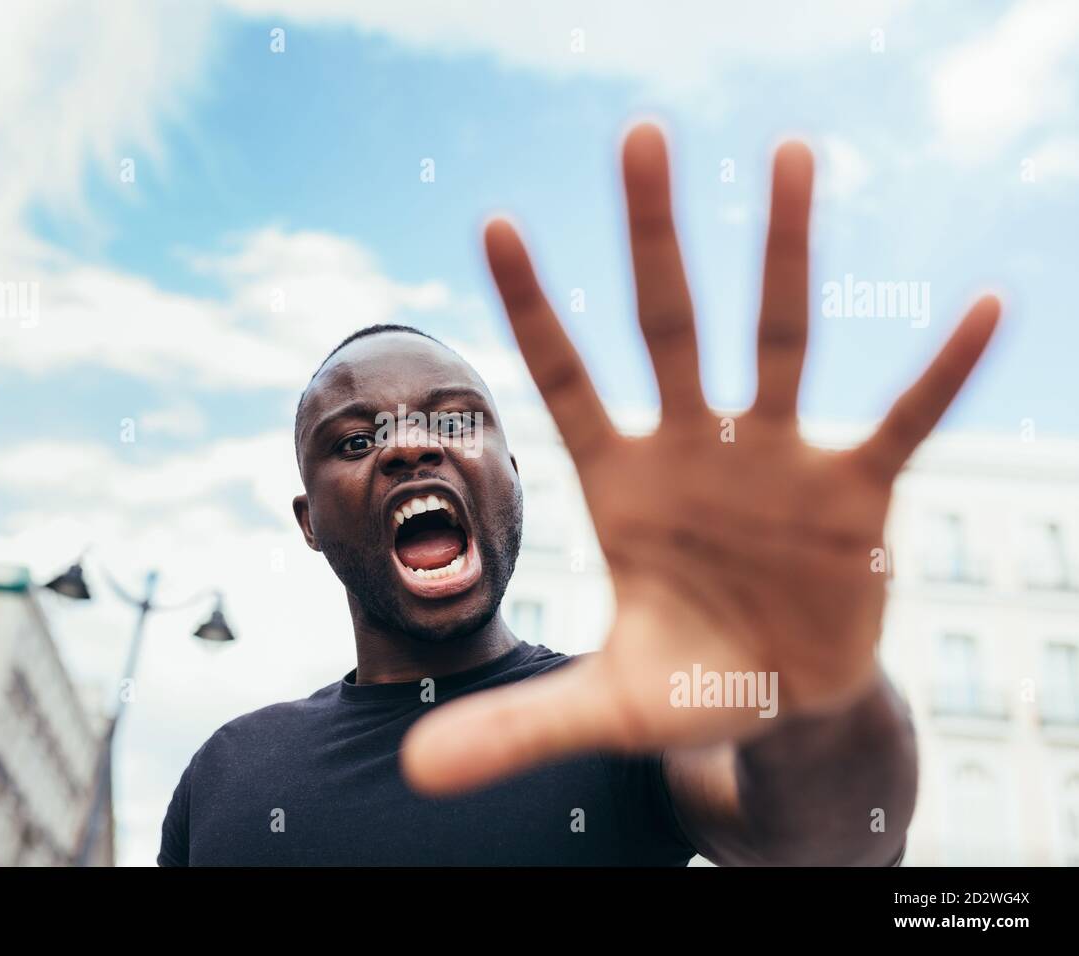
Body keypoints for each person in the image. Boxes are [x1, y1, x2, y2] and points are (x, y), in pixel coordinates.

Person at [158, 123, 998, 866]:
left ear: (512, 478)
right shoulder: (229, 776)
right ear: (308, 521)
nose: (410, 445)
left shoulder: (633, 723)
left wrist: (819, 695)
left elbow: (834, 842)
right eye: (354, 439)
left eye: (454, 424)